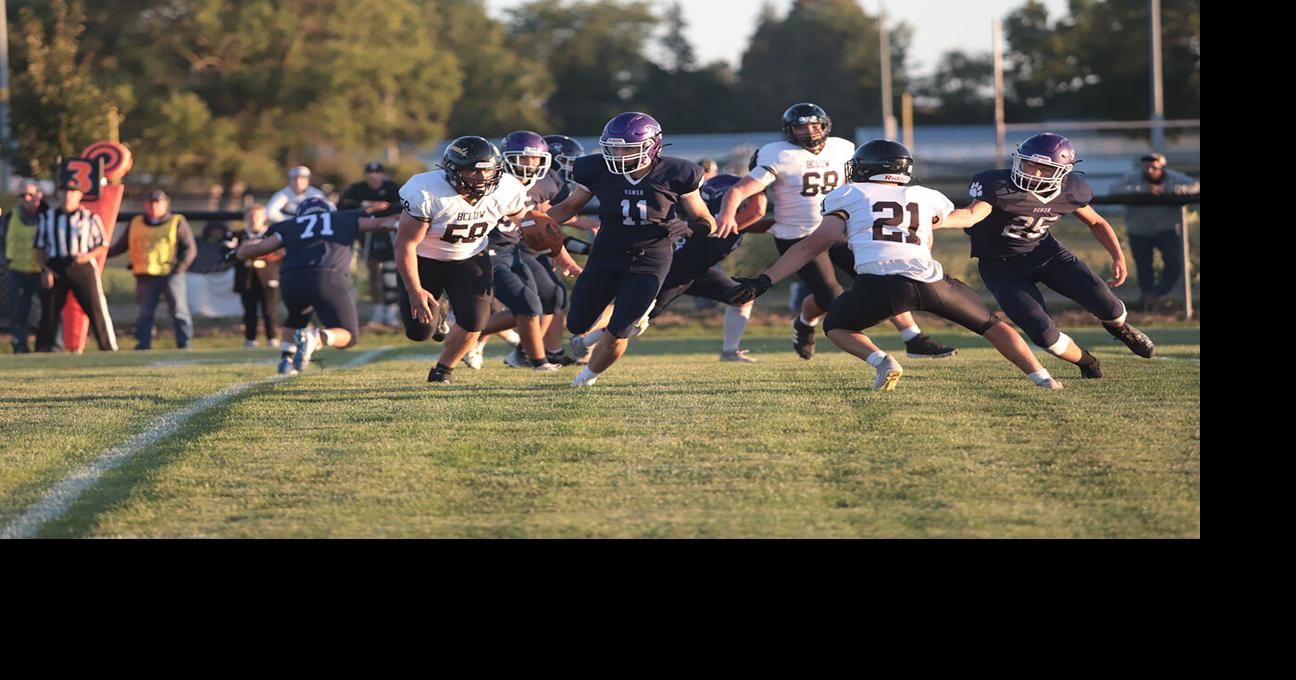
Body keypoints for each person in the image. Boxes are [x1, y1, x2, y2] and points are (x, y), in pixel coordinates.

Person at [726, 140, 1064, 390]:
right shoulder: (926, 195)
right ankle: (1043, 378)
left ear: (864, 167)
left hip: (881, 283)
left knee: (837, 326)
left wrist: (764, 280)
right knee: (993, 325)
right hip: (931, 279)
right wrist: (1003, 201)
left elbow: (815, 244)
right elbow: (970, 216)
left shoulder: (848, 195)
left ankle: (882, 360)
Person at [715, 102, 956, 361]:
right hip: (799, 235)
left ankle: (914, 339)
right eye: (801, 127)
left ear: (825, 125)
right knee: (831, 296)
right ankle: (809, 324)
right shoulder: (778, 153)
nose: (809, 132)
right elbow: (740, 190)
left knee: (885, 277)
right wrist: (728, 216)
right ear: (789, 130)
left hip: (841, 228)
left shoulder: (843, 148)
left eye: (814, 126)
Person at [941, 132, 1156, 378]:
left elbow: (1096, 222)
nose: (1033, 172)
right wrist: (936, 220)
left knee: (1111, 308)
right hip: (1001, 269)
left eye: (1043, 167)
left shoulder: (1071, 188)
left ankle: (1121, 329)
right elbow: (971, 215)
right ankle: (1087, 362)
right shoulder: (998, 185)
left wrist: (1118, 256)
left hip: (1048, 255)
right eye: (1028, 163)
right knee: (1045, 336)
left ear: (1062, 172)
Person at [545, 111, 724, 386]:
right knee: (577, 324)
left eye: (626, 148)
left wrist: (691, 229)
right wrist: (535, 224)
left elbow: (707, 221)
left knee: (620, 330)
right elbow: (568, 208)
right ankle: (625, 320)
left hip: (650, 258)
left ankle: (585, 379)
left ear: (652, 146)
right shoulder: (596, 169)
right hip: (606, 253)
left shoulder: (678, 173)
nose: (618, 154)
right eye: (613, 147)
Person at [570, 171, 767, 363]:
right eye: (739, 201)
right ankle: (584, 340)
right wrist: (761, 184)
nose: (742, 205)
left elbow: (755, 223)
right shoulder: (719, 223)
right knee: (632, 317)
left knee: (741, 297)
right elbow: (755, 212)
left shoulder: (730, 221)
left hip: (696, 273)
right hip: (672, 273)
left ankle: (730, 352)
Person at [395, 136, 531, 384]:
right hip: (425, 260)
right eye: (474, 170)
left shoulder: (508, 189)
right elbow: (406, 244)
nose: (482, 177)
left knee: (475, 321)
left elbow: (527, 221)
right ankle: (440, 308)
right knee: (419, 332)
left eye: (489, 170)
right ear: (453, 169)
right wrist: (414, 290)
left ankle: (443, 371)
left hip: (470, 258)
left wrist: (552, 243)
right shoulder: (426, 191)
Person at [233, 197, 398, 374]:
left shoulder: (291, 224)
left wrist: (238, 253)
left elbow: (256, 249)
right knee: (349, 335)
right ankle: (318, 337)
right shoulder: (342, 218)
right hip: (326, 275)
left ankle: (286, 361)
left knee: (296, 316)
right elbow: (383, 224)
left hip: (291, 278)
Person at [468, 130, 582, 372]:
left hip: (520, 247)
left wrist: (565, 259)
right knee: (527, 304)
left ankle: (526, 353)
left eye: (534, 159)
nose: (529, 164)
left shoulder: (549, 182)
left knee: (552, 295)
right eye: (523, 158)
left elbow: (544, 221)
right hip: (488, 249)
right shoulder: (491, 180)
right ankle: (469, 334)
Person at [33, 179, 118, 352]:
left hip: (82, 267)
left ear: (80, 195)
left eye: (72, 191)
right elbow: (39, 248)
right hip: (56, 266)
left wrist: (87, 256)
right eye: (64, 191)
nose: (68, 195)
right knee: (49, 310)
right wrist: (45, 269)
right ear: (58, 194)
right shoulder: (47, 217)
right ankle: (43, 349)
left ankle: (108, 348)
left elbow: (102, 244)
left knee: (95, 308)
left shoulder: (89, 217)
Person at [106, 189, 196, 350]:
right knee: (144, 312)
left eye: (158, 202)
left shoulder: (176, 221)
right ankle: (143, 344)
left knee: (178, 310)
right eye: (150, 203)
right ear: (145, 205)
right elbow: (121, 246)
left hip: (170, 274)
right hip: (144, 274)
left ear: (166, 204)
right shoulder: (136, 222)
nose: (154, 206)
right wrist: (102, 254)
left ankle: (185, 343)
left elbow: (190, 249)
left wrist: (180, 268)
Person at [1115, 152, 1200, 310]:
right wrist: (1144, 191)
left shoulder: (1174, 178)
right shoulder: (1133, 178)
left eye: (1154, 167)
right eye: (1146, 166)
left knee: (1176, 262)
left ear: (1162, 166)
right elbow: (1115, 189)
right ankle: (1147, 300)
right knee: (1144, 267)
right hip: (1139, 230)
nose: (1150, 170)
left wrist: (1170, 191)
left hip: (1167, 230)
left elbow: (1194, 185)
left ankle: (1157, 293)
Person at [338, 161, 403, 326]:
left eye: (377, 173)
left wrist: (386, 208)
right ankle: (377, 312)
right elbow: (343, 205)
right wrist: (366, 205)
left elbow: (404, 204)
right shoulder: (357, 189)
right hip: (367, 235)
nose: (374, 176)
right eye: (370, 173)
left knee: (391, 276)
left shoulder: (392, 187)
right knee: (372, 274)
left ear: (383, 174)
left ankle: (392, 312)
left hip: (389, 234)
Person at [3, 180, 52, 353]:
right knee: (18, 313)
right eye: (22, 195)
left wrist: (50, 269)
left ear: (39, 195)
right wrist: (5, 262)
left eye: (30, 194)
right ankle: (20, 345)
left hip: (41, 271)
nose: (26, 199)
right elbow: (3, 241)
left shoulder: (48, 216)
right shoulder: (11, 216)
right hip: (17, 270)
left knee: (49, 311)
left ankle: (46, 345)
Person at [230, 204, 283, 348]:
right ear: (245, 218)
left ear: (264, 217)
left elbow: (281, 253)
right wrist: (244, 249)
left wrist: (261, 250)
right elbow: (227, 254)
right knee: (249, 311)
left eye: (258, 215)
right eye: (251, 215)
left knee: (269, 310)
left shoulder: (273, 234)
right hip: (246, 277)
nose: (254, 219)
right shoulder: (237, 235)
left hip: (268, 277)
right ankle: (250, 339)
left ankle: (272, 337)